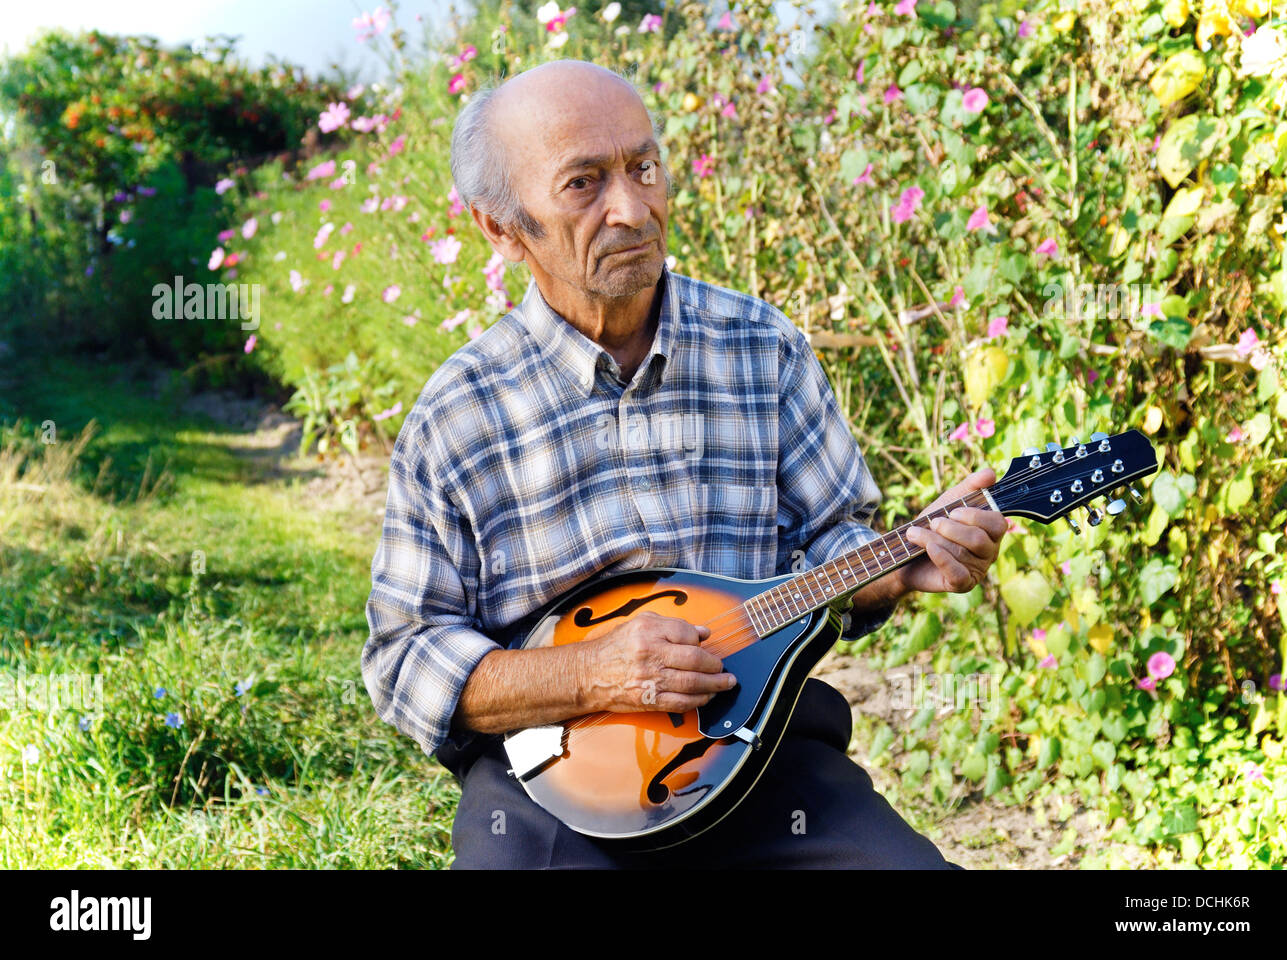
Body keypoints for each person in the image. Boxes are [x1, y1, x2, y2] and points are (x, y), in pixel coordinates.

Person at [361, 59, 1008, 868]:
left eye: (643, 167)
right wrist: (589, 675)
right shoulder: (460, 413)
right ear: (500, 225)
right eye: (583, 185)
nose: (631, 209)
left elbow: (834, 545)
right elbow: (402, 655)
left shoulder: (760, 348)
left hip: (759, 751)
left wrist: (907, 562)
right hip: (558, 781)